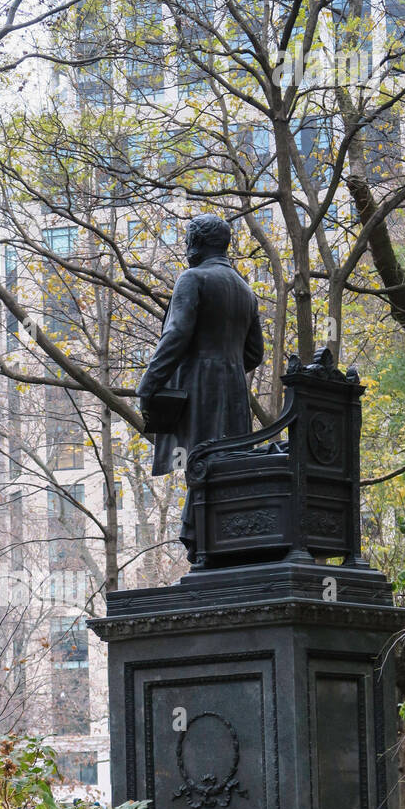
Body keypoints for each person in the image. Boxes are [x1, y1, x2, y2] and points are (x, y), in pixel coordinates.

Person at [137, 213, 264, 562]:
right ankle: (222, 545)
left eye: (187, 240)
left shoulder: (192, 279)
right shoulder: (246, 290)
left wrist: (149, 383)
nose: (185, 247)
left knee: (201, 463)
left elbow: (176, 335)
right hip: (234, 392)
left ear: (196, 243)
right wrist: (228, 367)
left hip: (201, 391)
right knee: (227, 465)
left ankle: (203, 547)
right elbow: (255, 353)